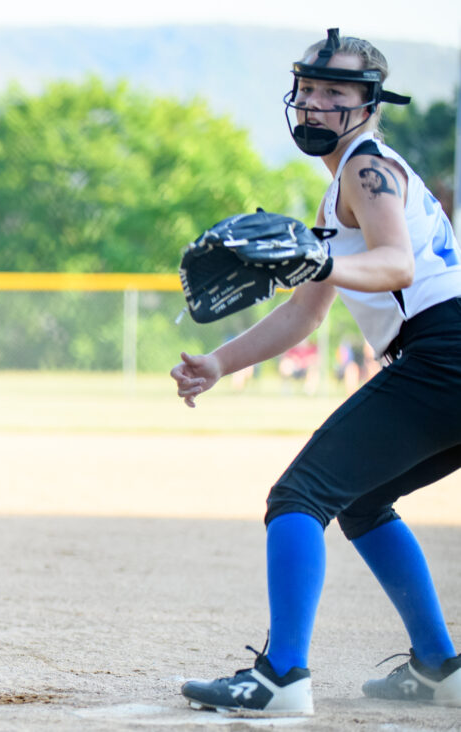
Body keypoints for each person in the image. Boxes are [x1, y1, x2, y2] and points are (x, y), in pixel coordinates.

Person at [170, 29, 461, 714]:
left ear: (369, 105)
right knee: (360, 501)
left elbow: (396, 264)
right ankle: (440, 666)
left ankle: (281, 679)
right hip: (445, 358)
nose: (314, 103)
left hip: (445, 352)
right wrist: (218, 362)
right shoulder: (342, 194)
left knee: (298, 498)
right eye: (306, 89)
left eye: (335, 92)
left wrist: (321, 260)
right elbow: (303, 318)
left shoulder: (366, 168)